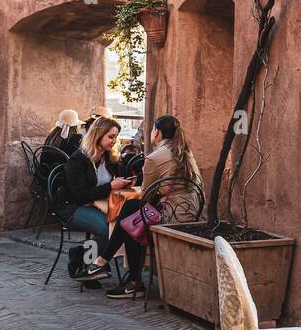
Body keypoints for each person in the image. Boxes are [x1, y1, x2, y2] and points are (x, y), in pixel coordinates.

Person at [94, 115, 204, 302]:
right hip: (193, 210)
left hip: (172, 214)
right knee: (131, 212)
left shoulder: (154, 157)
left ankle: (115, 268)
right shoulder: (185, 151)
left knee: (131, 214)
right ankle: (123, 274)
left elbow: (147, 196)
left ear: (157, 133)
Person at [59, 117, 135, 279]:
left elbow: (115, 179)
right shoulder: (78, 159)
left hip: (100, 204)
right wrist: (110, 187)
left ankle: (82, 256)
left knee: (122, 224)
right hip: (74, 207)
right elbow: (79, 195)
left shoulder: (109, 158)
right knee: (106, 229)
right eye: (111, 137)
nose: (114, 141)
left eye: (116, 137)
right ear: (98, 135)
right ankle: (91, 267)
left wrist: (126, 181)